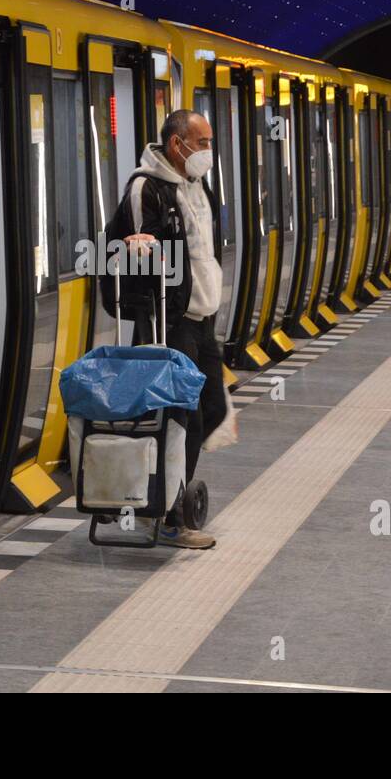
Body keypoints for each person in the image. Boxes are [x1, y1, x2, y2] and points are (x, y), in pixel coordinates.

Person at [117, 109, 232, 549]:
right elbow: (131, 239)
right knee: (181, 418)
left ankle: (171, 501)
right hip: (170, 320)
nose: (207, 151)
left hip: (203, 320)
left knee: (213, 409)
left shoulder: (199, 185)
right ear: (176, 144)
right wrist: (135, 243)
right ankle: (169, 517)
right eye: (201, 143)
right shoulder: (146, 187)